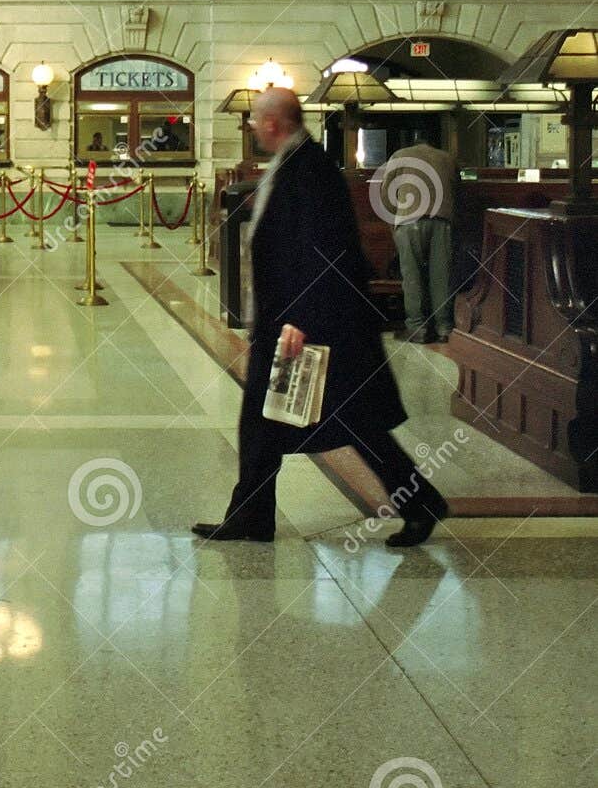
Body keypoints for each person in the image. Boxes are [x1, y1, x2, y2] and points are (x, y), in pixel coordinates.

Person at [192, 88, 448, 549]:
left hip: (317, 326)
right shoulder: (295, 162)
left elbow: (325, 252)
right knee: (263, 423)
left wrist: (298, 319)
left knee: (357, 424)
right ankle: (251, 517)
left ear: (273, 123)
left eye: (254, 120)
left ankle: (420, 502)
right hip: (297, 320)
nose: (250, 126)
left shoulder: (310, 169)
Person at [375, 142, 458, 343]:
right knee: (441, 276)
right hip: (442, 221)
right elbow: (457, 190)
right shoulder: (448, 158)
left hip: (409, 220)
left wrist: (396, 218)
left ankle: (417, 327)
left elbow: (385, 196)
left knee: (412, 276)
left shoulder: (399, 156)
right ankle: (444, 328)